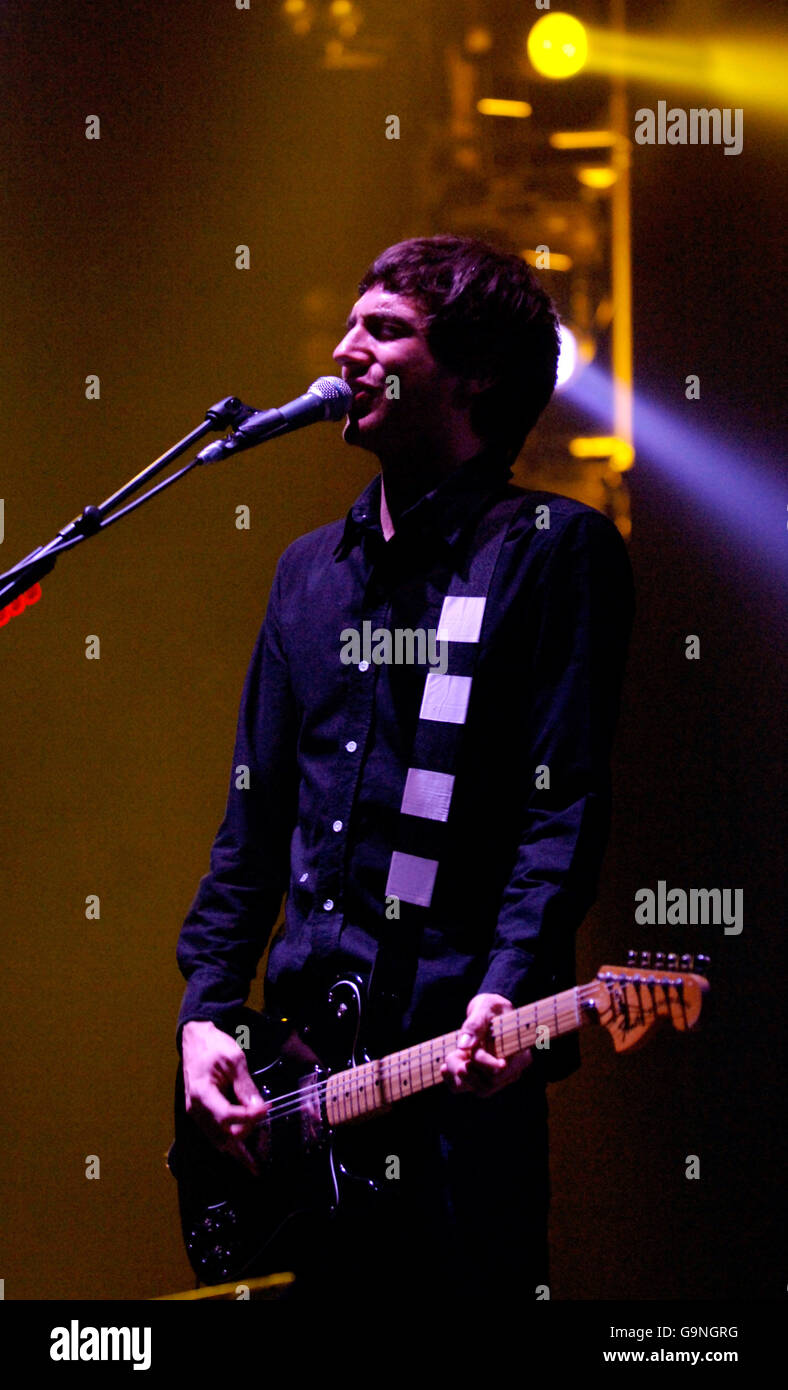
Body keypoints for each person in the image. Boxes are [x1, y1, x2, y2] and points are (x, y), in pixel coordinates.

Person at [175, 234, 634, 1304]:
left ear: (473, 373)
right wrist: (205, 1013)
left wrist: (508, 992)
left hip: (451, 1101)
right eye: (349, 324)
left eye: (382, 330)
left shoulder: (545, 550)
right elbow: (250, 829)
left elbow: (556, 812)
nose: (344, 349)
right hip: (293, 1107)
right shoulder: (307, 573)